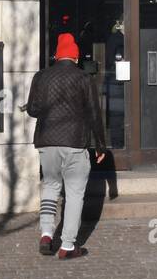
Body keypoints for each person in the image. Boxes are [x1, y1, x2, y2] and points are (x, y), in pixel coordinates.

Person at [25, 33, 108, 259]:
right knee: (74, 193)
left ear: (56, 55)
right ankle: (68, 246)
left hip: (47, 141)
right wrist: (100, 145)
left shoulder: (41, 77)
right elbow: (94, 113)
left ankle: (46, 234)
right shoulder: (84, 78)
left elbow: (32, 110)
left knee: (50, 186)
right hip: (75, 142)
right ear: (76, 57)